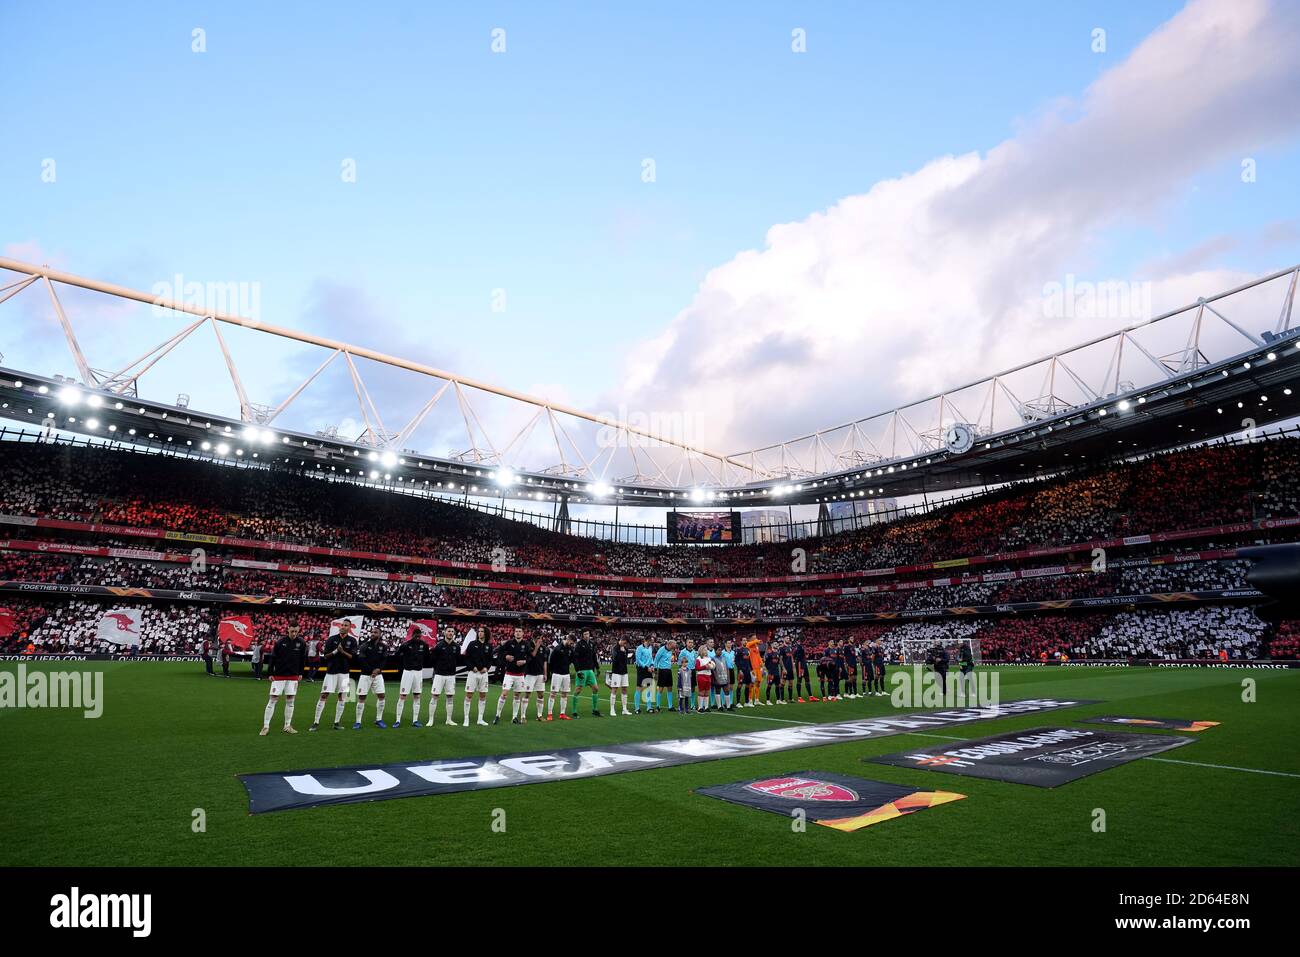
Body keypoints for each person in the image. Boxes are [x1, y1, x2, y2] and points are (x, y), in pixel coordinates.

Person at [309, 621, 357, 731]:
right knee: (324, 695)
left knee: (342, 697)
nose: (343, 627)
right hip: (331, 672)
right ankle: (316, 722)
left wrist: (342, 651)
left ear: (349, 628)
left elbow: (352, 657)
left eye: (346, 625)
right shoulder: (331, 639)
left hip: (344, 673)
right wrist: (336, 651)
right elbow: (325, 656)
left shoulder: (352, 640)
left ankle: (336, 722)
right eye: (342, 625)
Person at [259, 625, 306, 735]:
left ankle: (287, 725)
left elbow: (302, 659)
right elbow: (273, 657)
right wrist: (270, 672)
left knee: (290, 700)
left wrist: (300, 673)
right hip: (279, 675)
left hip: (293, 676)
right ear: (288, 630)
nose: (294, 633)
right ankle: (265, 726)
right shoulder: (280, 642)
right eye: (292, 631)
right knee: (273, 699)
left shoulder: (301, 643)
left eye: (296, 631)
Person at [352, 628, 388, 729]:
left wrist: (378, 670)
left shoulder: (383, 646)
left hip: (378, 675)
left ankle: (379, 719)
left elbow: (384, 660)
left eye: (375, 632)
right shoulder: (364, 645)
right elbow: (361, 660)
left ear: (380, 635)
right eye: (372, 632)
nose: (372, 634)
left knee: (381, 695)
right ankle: (358, 722)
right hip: (365, 675)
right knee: (362, 697)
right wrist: (372, 670)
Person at [494, 626, 528, 725]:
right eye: (516, 631)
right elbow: (499, 652)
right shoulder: (509, 643)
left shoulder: (526, 645)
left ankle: (514, 717)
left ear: (523, 633)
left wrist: (524, 661)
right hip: (509, 674)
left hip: (520, 675)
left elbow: (530, 657)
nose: (518, 633)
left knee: (517, 695)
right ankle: (497, 715)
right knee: (504, 694)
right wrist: (506, 656)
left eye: (520, 631)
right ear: (514, 633)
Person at [394, 629, 428, 727]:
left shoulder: (424, 645)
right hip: (407, 672)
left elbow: (427, 657)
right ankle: (398, 720)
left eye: (419, 635)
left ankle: (415, 720)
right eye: (416, 635)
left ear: (421, 635)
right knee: (403, 696)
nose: (418, 637)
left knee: (417, 696)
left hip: (418, 673)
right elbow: (397, 656)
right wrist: (404, 665)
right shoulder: (405, 645)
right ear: (412, 635)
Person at [427, 632, 460, 726]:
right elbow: (432, 659)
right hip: (439, 675)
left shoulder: (456, 647)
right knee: (434, 696)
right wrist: (438, 668)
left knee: (450, 697)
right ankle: (431, 720)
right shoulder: (439, 645)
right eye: (449, 631)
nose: (450, 633)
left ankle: (449, 720)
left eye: (452, 632)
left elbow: (458, 659)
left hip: (451, 675)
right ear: (445, 633)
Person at [462, 627, 492, 726]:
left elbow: (490, 660)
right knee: (469, 695)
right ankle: (466, 719)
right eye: (479, 631)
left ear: (486, 633)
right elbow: (466, 658)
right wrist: (472, 667)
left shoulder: (489, 646)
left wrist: (487, 668)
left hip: (484, 674)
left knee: (483, 695)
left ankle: (480, 719)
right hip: (473, 673)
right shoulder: (472, 644)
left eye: (482, 631)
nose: (480, 633)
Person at [570, 630, 601, 718]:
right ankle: (574, 711)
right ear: (582, 635)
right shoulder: (579, 645)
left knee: (595, 688)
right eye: (585, 634)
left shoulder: (592, 644)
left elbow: (594, 657)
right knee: (578, 689)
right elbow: (575, 658)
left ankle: (595, 710)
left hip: (590, 670)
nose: (587, 635)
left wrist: (597, 668)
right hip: (582, 670)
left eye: (588, 633)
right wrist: (578, 671)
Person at [546, 634, 574, 721]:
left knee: (565, 694)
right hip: (557, 674)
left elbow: (570, 660)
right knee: (553, 693)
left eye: (573, 644)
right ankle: (549, 714)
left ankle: (562, 714)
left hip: (566, 674)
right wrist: (553, 672)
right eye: (571, 643)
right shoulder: (557, 648)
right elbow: (551, 661)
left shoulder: (570, 649)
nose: (572, 645)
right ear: (568, 639)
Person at [522, 635, 548, 723]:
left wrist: (545, 673)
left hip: (540, 674)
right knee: (527, 694)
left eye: (541, 638)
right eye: (539, 638)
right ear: (534, 639)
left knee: (541, 694)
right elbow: (532, 655)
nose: (540, 640)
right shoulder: (528, 645)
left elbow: (545, 661)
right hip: (530, 674)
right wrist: (536, 646)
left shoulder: (543, 648)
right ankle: (523, 716)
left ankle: (539, 715)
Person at [607, 636, 633, 716]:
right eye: (625, 643)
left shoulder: (625, 649)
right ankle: (612, 709)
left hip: (624, 672)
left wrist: (623, 652)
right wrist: (621, 652)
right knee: (614, 689)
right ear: (621, 640)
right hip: (616, 672)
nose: (625, 645)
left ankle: (624, 709)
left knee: (624, 689)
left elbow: (625, 660)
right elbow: (615, 659)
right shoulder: (615, 648)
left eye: (626, 644)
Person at [634, 635, 656, 713]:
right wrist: (646, 667)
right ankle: (637, 708)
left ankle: (649, 707)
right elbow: (638, 660)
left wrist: (652, 665)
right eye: (651, 641)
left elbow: (651, 658)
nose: (652, 642)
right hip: (641, 669)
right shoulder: (639, 648)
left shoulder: (650, 648)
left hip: (649, 669)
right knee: (639, 688)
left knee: (649, 688)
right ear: (647, 640)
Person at [654, 639, 675, 712]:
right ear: (668, 644)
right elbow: (656, 660)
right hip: (662, 670)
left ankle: (670, 706)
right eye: (672, 647)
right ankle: (658, 706)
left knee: (670, 688)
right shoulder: (661, 650)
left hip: (669, 670)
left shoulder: (670, 650)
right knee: (661, 688)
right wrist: (656, 672)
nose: (673, 648)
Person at [793, 637, 813, 701]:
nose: (804, 641)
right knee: (799, 680)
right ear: (799, 641)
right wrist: (800, 665)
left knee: (807, 679)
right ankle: (799, 698)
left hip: (803, 663)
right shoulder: (798, 647)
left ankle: (811, 696)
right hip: (800, 664)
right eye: (803, 640)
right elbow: (796, 656)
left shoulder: (801, 646)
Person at [717, 639, 735, 710]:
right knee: (724, 687)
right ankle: (723, 703)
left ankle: (730, 702)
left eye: (730, 643)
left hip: (731, 670)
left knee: (731, 687)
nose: (730, 644)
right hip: (725, 670)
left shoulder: (733, 652)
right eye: (728, 643)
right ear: (725, 644)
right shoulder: (723, 652)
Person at [694, 646, 713, 712]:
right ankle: (700, 707)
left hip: (708, 675)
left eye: (706, 650)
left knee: (707, 691)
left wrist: (711, 666)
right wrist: (705, 666)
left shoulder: (709, 658)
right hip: (701, 676)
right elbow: (697, 668)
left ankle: (706, 707)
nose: (706, 651)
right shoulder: (698, 659)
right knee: (701, 691)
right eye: (705, 650)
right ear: (701, 651)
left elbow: (711, 666)